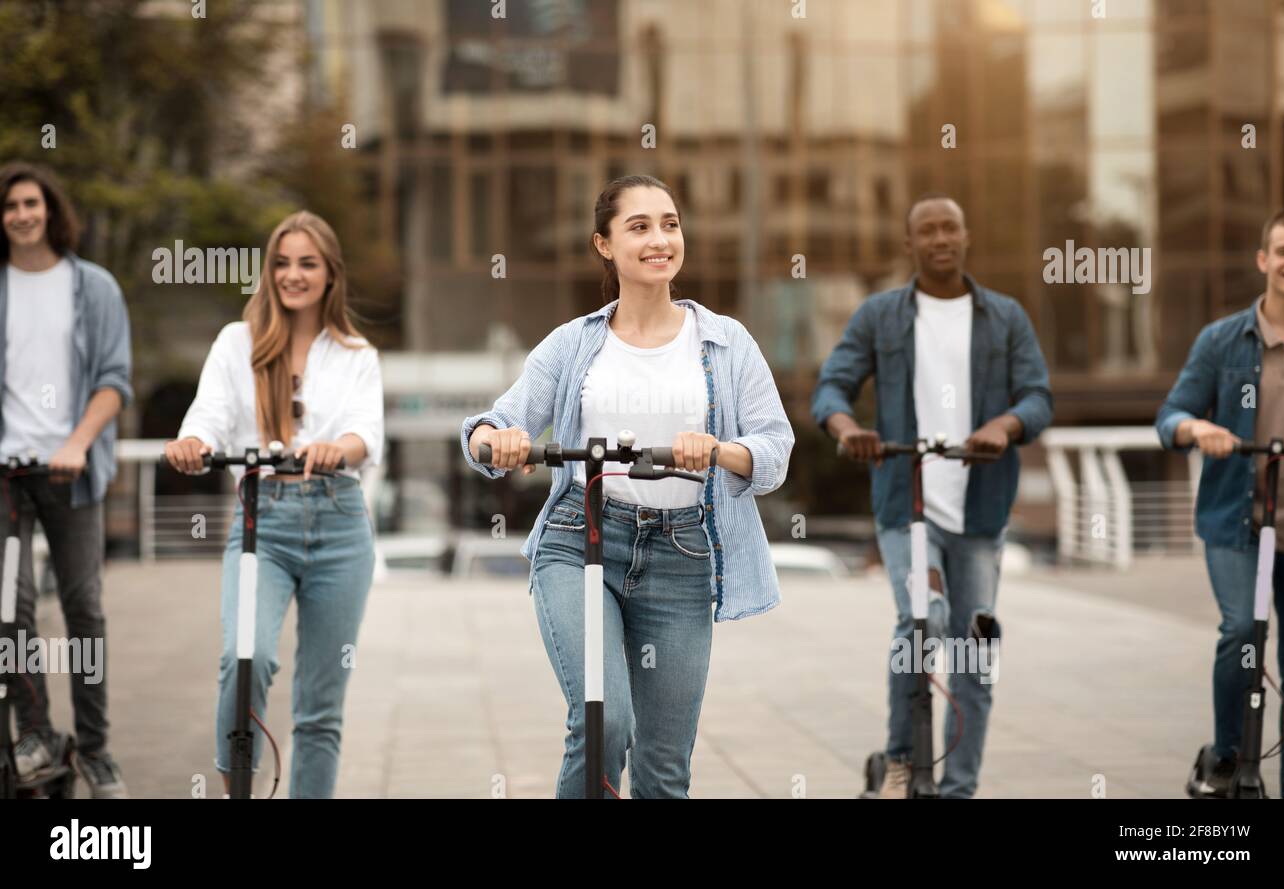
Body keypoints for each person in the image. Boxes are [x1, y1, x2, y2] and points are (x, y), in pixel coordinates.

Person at [462, 174, 794, 798]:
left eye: (669, 223)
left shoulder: (726, 341)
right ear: (605, 245)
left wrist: (723, 450)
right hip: (582, 541)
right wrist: (495, 441)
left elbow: (775, 450)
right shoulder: (575, 343)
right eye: (638, 227)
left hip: (685, 555)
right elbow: (489, 427)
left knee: (665, 768)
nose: (659, 239)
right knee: (603, 721)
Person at [811, 194, 1053, 798]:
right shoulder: (880, 317)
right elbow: (831, 390)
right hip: (906, 500)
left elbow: (1038, 398)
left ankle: (959, 788)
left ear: (966, 237)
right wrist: (851, 432)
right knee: (922, 620)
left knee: (974, 649)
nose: (940, 238)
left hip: (980, 509)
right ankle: (898, 764)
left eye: (951, 228)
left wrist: (1003, 427)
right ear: (909, 245)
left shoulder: (1005, 318)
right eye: (928, 230)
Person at [164, 211, 383, 798]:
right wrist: (194, 443)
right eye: (282, 263)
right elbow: (208, 416)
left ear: (330, 273)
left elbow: (367, 432)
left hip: (340, 525)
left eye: (307, 263)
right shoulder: (238, 342)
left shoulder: (355, 351)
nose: (293, 274)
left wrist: (340, 447)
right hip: (265, 519)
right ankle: (236, 786)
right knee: (246, 656)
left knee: (320, 702)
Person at [1157, 208, 1284, 799]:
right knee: (1243, 632)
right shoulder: (1222, 340)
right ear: (1264, 259)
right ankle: (1227, 761)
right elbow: (1171, 416)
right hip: (1239, 523)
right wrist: (1198, 430)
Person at [0, 161, 133, 798]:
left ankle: (97, 750)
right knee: (12, 608)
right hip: (6, 475)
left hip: (71, 474)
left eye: (31, 203)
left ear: (50, 209)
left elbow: (115, 380)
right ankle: (35, 734)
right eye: (10, 207)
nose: (21, 215)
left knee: (85, 610)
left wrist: (78, 443)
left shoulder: (93, 287)